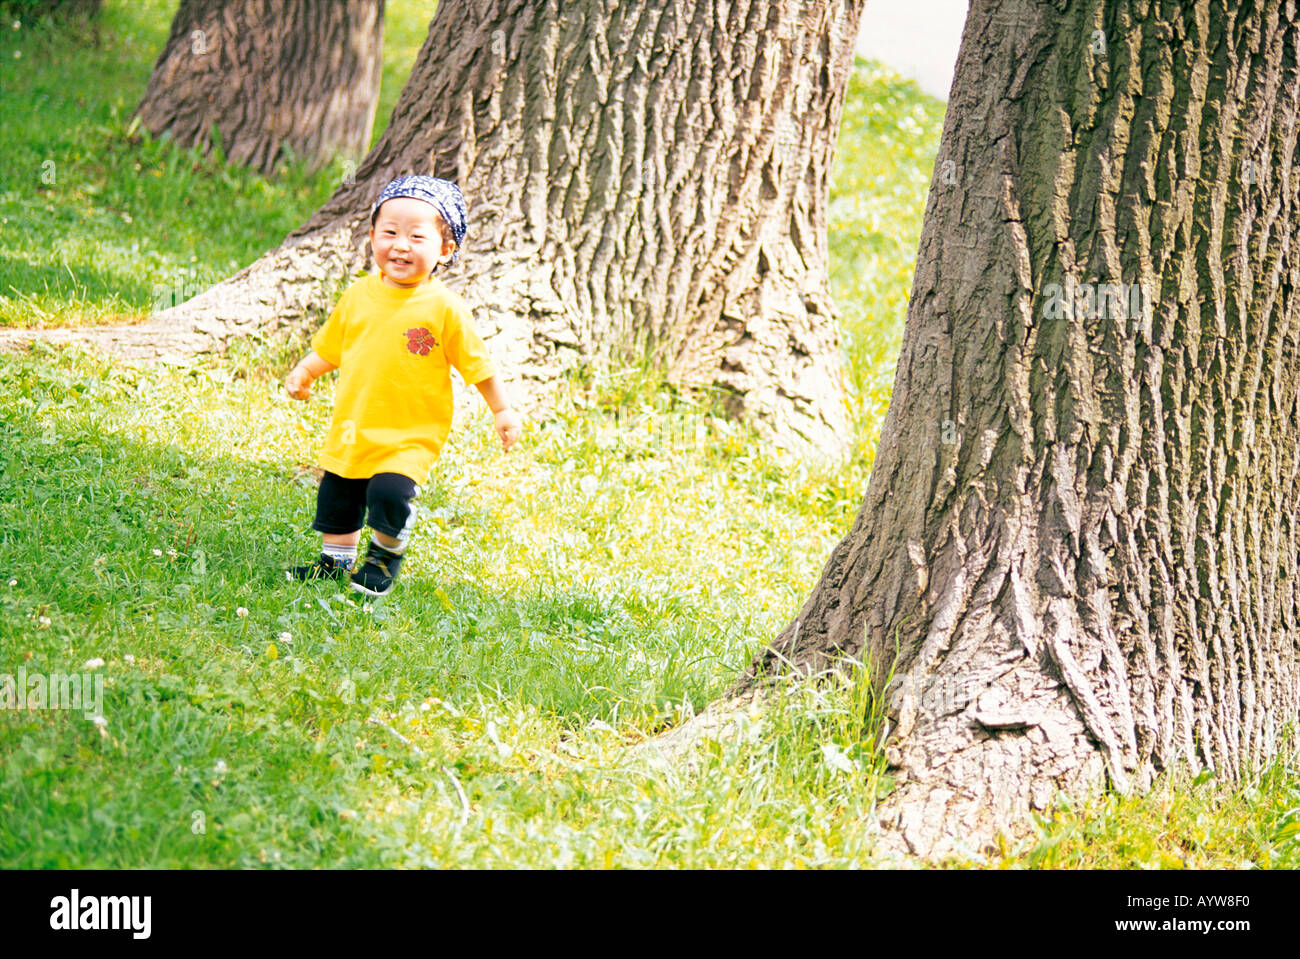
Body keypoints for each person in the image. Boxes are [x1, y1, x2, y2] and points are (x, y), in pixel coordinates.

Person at [284, 175, 522, 596]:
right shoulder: (358, 294)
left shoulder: (444, 307)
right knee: (337, 497)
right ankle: (334, 562)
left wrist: (501, 410)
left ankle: (383, 557)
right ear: (373, 235)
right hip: (354, 427)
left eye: (417, 236)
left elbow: (478, 365)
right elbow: (333, 346)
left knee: (388, 494)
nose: (400, 246)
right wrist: (305, 371)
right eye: (389, 233)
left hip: (409, 435)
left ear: (445, 251)